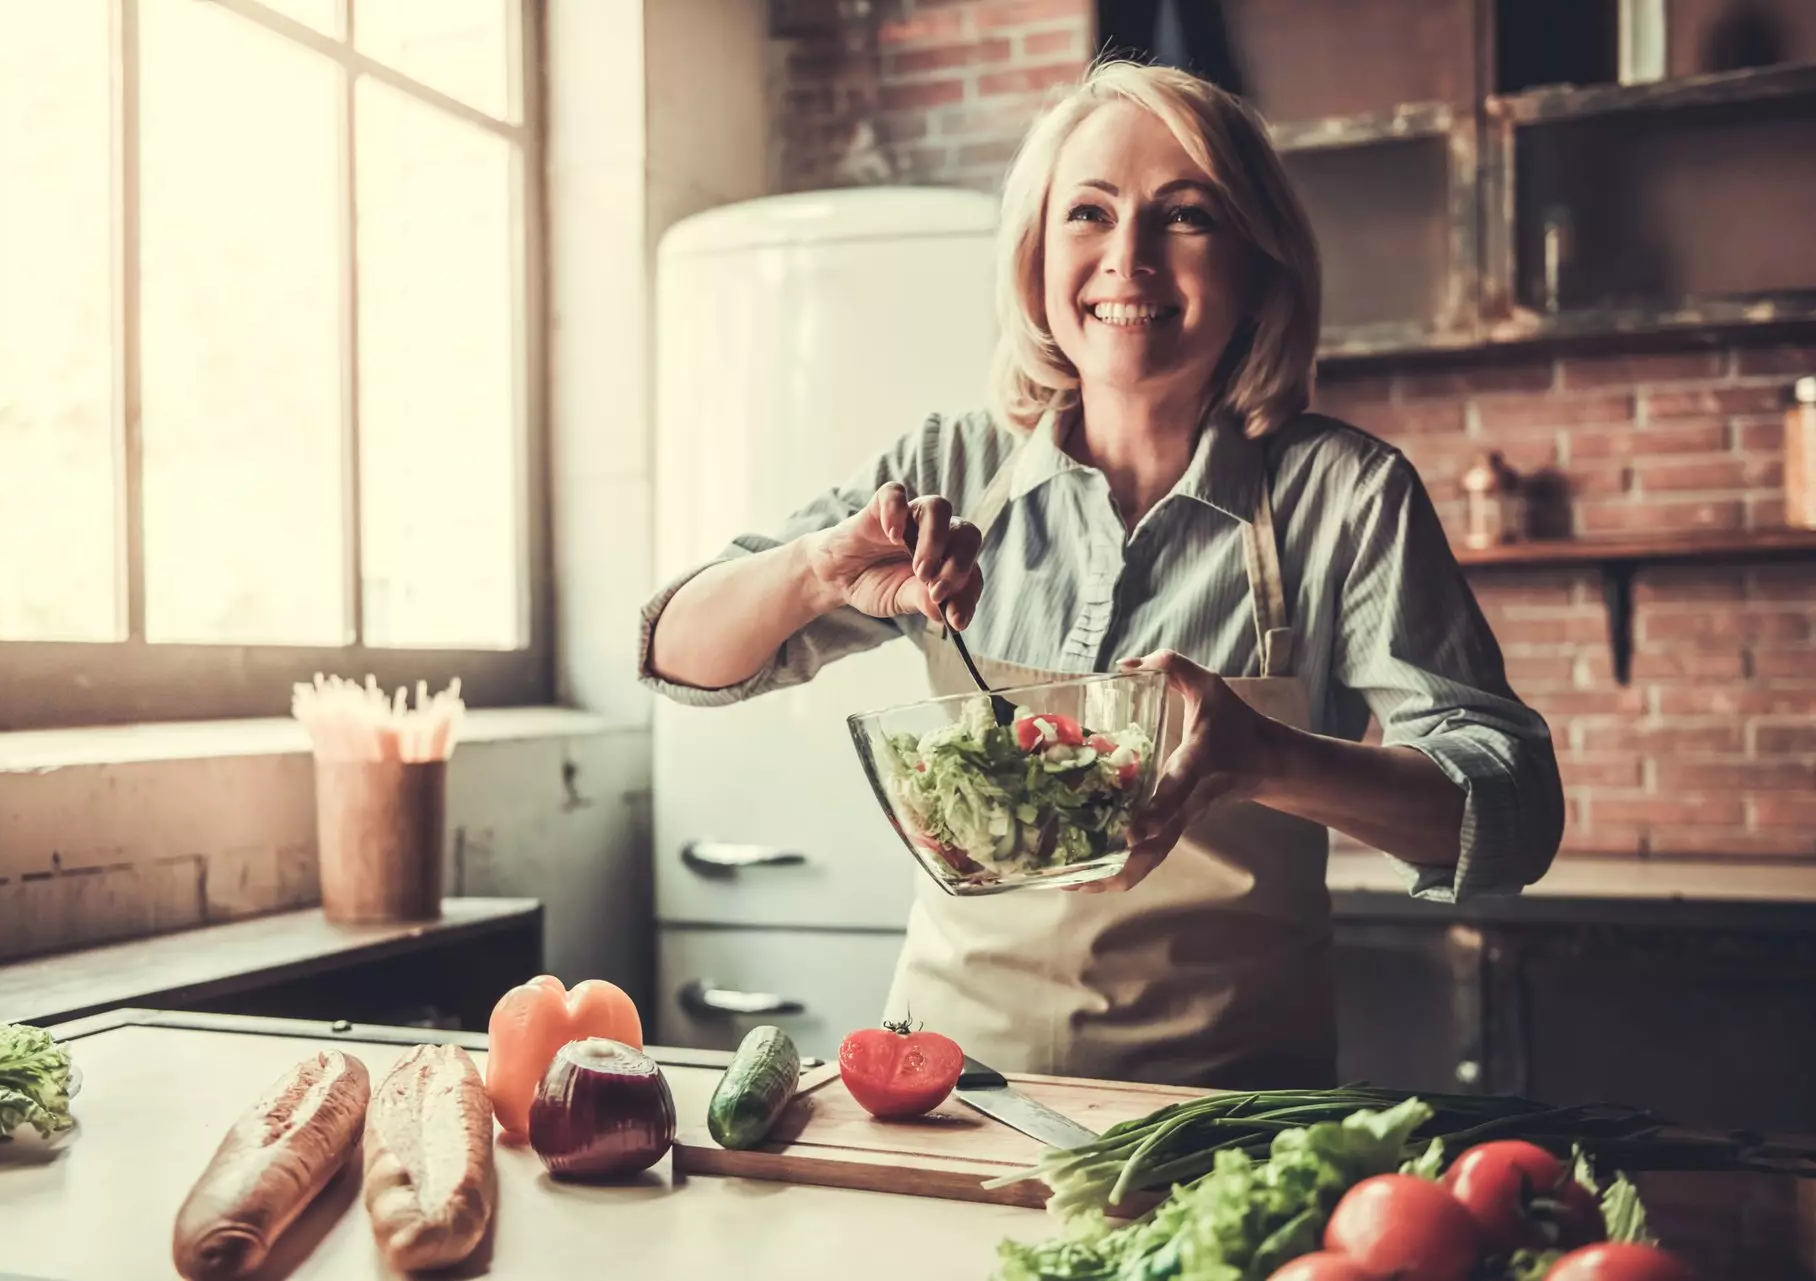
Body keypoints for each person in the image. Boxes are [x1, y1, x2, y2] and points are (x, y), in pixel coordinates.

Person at [636, 60, 1563, 1090]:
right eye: (1088, 212)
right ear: (1037, 258)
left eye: (1187, 216)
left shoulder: (1345, 496)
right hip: (947, 1094)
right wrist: (816, 569)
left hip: (1216, 1120)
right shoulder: (953, 466)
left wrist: (1266, 758)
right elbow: (676, 652)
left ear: (1259, 268)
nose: (1129, 259)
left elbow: (1516, 815)